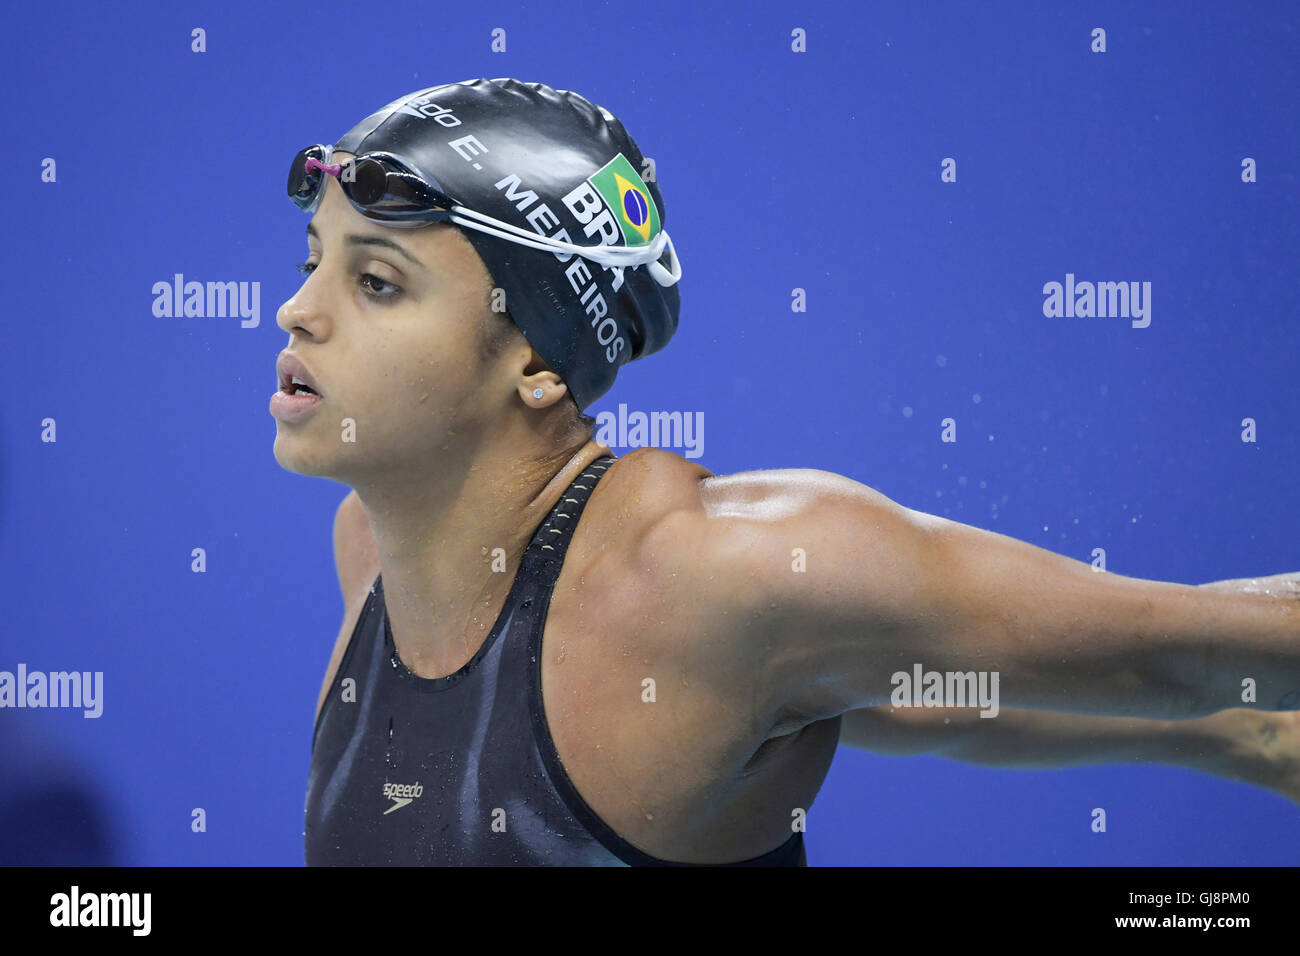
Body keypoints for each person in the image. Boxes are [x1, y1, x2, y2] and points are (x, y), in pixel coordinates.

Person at [274, 78, 1300, 866]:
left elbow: (1185, 648)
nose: (298, 309)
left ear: (536, 360)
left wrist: (1234, 711)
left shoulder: (717, 567)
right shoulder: (372, 545)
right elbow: (871, 688)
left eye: (376, 281)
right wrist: (1223, 735)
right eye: (312, 258)